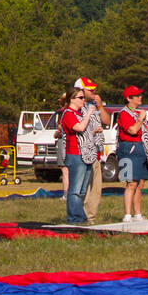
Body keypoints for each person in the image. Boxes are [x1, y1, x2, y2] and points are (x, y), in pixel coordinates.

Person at [73, 77, 111, 223]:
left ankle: (90, 218)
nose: (93, 91)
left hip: (95, 153)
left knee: (95, 189)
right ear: (81, 89)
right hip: (82, 153)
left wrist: (100, 107)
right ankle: (79, 216)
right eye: (90, 89)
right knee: (82, 189)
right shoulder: (77, 108)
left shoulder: (94, 106)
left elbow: (107, 121)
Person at [117, 86, 148, 224]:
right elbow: (132, 130)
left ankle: (138, 214)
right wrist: (140, 119)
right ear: (129, 99)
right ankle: (127, 215)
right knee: (131, 182)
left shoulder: (137, 112)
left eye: (140, 95)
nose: (140, 98)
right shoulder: (124, 114)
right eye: (137, 96)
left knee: (140, 182)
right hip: (128, 149)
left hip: (141, 147)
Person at [60, 84, 94, 225]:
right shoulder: (68, 114)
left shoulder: (79, 114)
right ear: (72, 99)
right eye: (80, 98)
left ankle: (80, 217)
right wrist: (89, 114)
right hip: (75, 155)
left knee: (81, 191)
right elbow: (79, 128)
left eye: (84, 98)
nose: (83, 101)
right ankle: (75, 218)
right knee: (74, 190)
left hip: (86, 155)